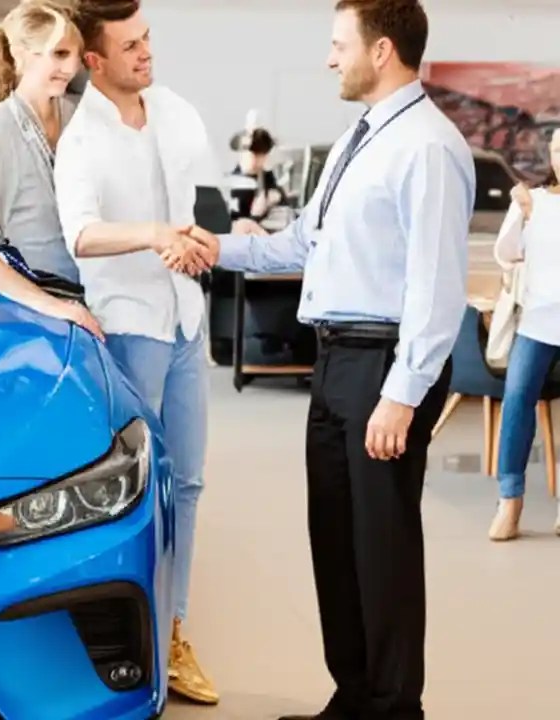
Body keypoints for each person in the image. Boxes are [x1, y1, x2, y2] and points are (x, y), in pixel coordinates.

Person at [181, 2, 474, 718]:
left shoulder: (428, 147)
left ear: (381, 50)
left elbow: (436, 289)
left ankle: (395, 707)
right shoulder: (360, 139)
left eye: (339, 45)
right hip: (338, 360)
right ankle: (355, 696)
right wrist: (215, 247)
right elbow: (302, 244)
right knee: (337, 539)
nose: (329, 58)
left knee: (383, 548)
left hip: (384, 365)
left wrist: (402, 396)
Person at [54, 0, 222, 705]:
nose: (146, 53)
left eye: (147, 38)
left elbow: (211, 203)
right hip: (129, 326)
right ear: (95, 60)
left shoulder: (180, 112)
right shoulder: (80, 138)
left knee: (187, 484)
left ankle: (176, 629)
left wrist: (205, 241)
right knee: (134, 492)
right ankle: (136, 635)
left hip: (187, 320)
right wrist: (157, 233)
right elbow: (81, 234)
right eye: (130, 45)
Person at [0, 0, 103, 339]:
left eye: (76, 55)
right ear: (20, 54)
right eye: (59, 54)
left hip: (105, 303)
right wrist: (51, 305)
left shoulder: (83, 118)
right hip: (47, 316)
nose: (72, 66)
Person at [490, 130, 560, 541]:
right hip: (537, 321)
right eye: (554, 150)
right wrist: (520, 214)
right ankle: (510, 500)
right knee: (517, 399)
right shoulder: (533, 200)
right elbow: (506, 253)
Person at [229, 127, 288, 223]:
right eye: (254, 154)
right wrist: (256, 215)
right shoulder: (233, 184)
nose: (259, 161)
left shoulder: (267, 177)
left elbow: (284, 205)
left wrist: (275, 199)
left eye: (263, 155)